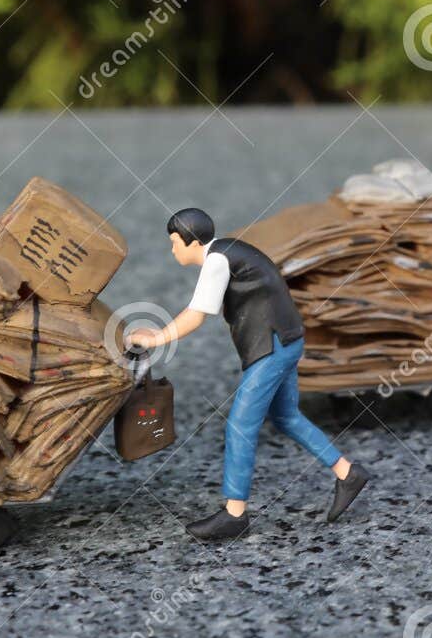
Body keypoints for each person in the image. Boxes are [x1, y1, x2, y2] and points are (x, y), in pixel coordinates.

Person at [127, 207, 371, 541]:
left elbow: (196, 314)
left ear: (190, 241)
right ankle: (348, 473)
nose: (172, 250)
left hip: (271, 348)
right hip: (286, 340)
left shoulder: (217, 260)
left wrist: (156, 337)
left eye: (174, 243)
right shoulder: (229, 250)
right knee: (286, 417)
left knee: (240, 426)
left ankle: (234, 514)